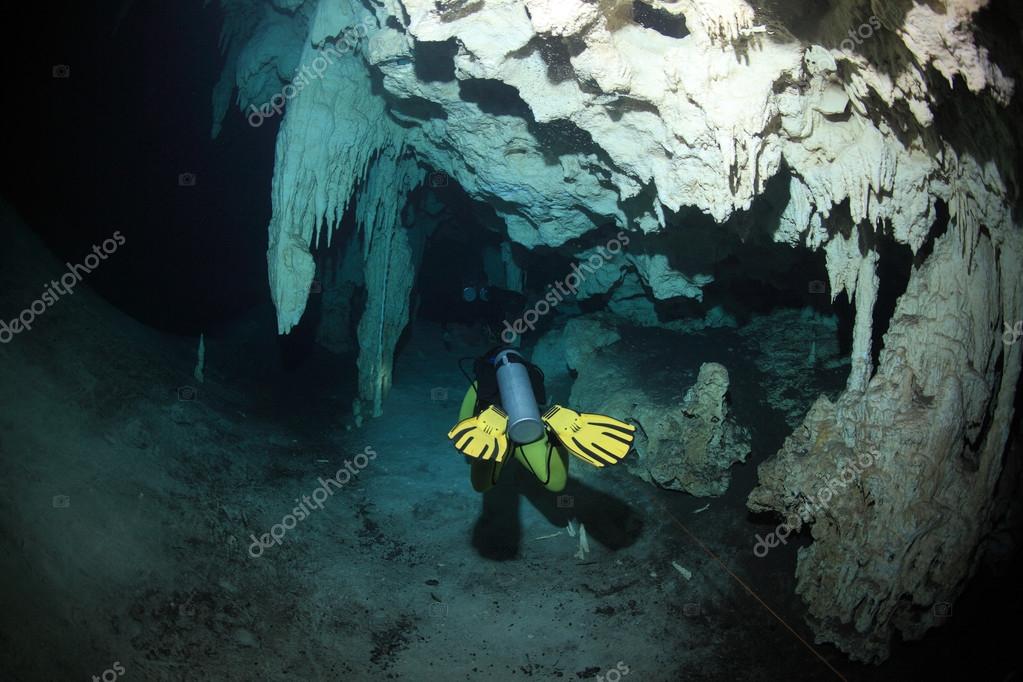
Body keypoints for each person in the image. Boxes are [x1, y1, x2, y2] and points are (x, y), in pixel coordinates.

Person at [447, 347, 636, 492]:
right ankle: (555, 438)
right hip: (531, 428)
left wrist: (476, 448)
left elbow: (463, 423)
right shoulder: (529, 381)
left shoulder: (480, 384)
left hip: (496, 433)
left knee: (481, 485)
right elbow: (539, 402)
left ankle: (489, 449)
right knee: (555, 484)